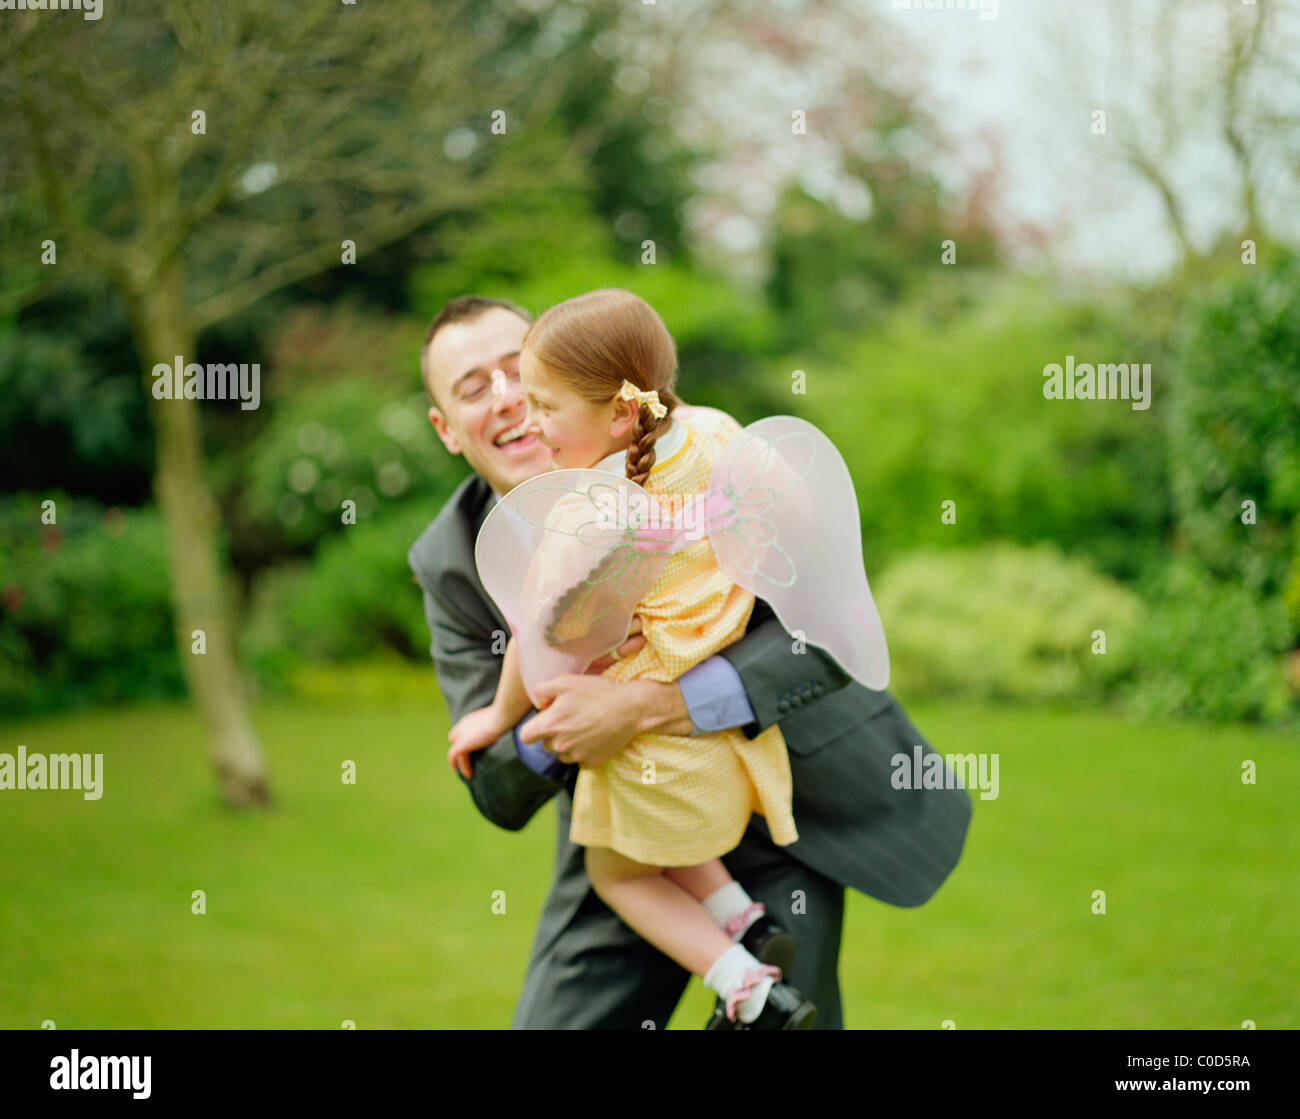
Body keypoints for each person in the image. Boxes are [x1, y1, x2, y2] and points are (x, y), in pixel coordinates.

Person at [409, 293, 973, 1029]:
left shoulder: (697, 451)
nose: (513, 400)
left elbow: (827, 630)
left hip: (782, 801)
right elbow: (496, 788)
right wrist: (569, 724)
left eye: (520, 371)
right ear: (446, 429)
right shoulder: (450, 560)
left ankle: (752, 977)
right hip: (634, 822)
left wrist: (648, 706)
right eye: (474, 387)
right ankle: (745, 962)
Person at [445, 289, 829, 1026]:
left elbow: (536, 633)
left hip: (652, 751)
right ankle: (741, 914)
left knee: (617, 871)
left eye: (546, 406)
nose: (531, 421)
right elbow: (797, 515)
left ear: (619, 413)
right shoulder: (715, 436)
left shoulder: (591, 509)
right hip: (724, 754)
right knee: (664, 841)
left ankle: (748, 985)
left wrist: (497, 715)